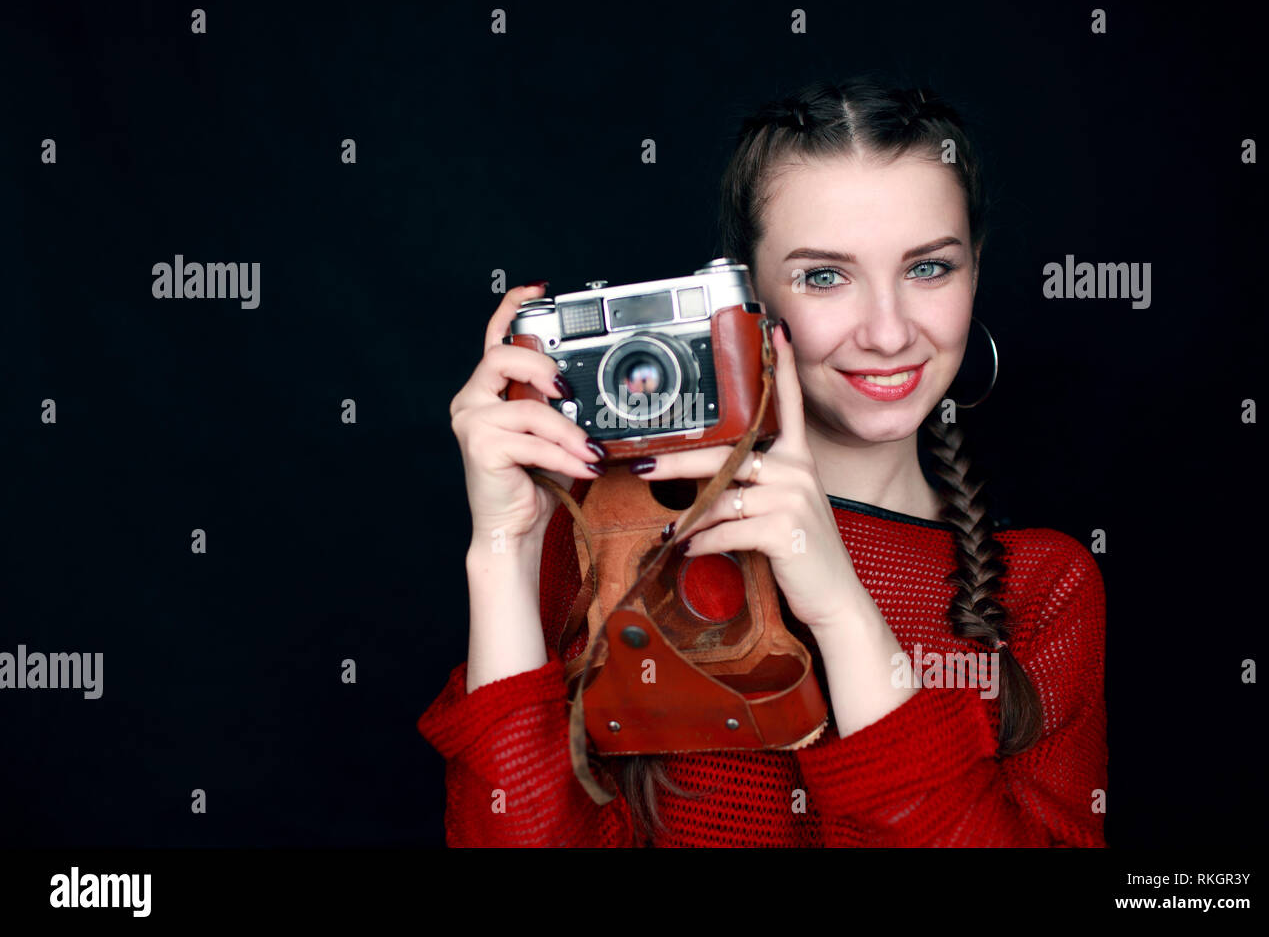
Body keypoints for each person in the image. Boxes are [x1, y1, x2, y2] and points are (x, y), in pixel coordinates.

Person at [419, 73, 1107, 847]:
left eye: (927, 268)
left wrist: (841, 612)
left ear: (975, 268)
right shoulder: (604, 540)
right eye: (825, 276)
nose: (887, 332)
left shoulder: (1045, 588)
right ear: (746, 299)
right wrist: (504, 550)